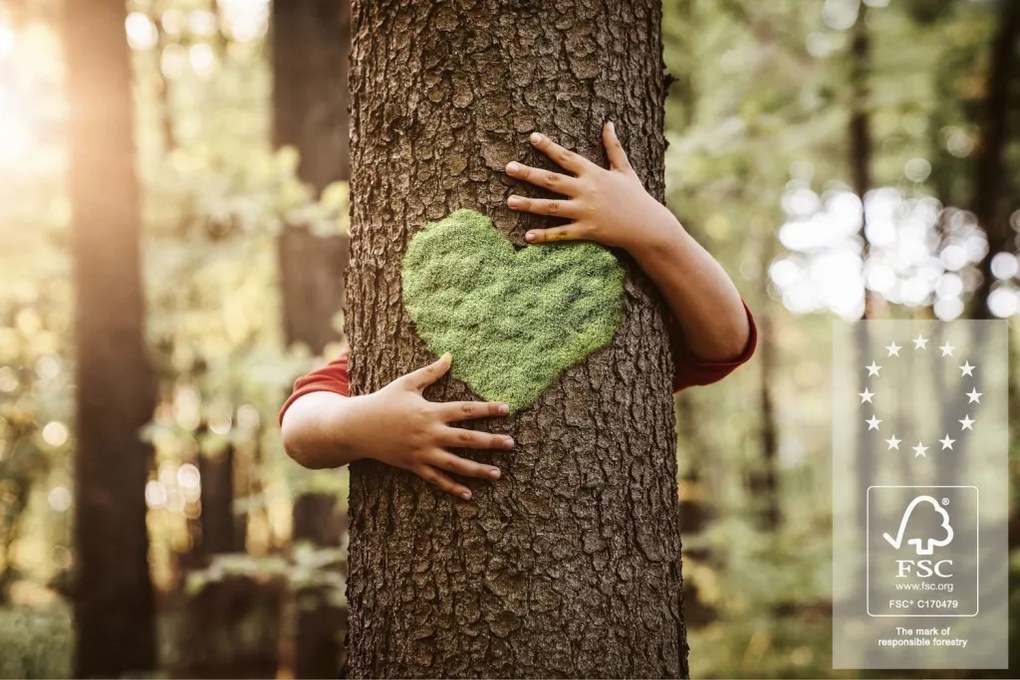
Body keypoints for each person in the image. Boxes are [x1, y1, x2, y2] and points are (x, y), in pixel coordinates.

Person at [279, 121, 757, 501]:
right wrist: (362, 425)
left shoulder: (632, 318)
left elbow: (726, 341)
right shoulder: (408, 344)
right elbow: (301, 427)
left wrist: (654, 230)